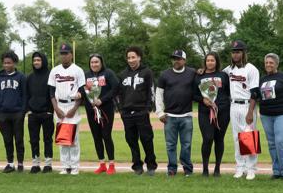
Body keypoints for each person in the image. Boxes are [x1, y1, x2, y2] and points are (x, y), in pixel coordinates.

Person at [156, 50, 198, 177]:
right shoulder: (164, 74)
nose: (176, 61)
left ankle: (187, 168)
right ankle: (172, 168)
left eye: (179, 59)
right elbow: (159, 94)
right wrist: (159, 113)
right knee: (170, 145)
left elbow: (202, 82)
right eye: (174, 58)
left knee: (186, 144)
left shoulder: (192, 73)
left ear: (184, 60)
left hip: (186, 115)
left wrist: (201, 71)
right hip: (170, 116)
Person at [117, 46, 157, 176]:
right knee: (131, 140)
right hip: (127, 114)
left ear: (139, 57)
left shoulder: (147, 72)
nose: (131, 60)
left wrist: (148, 109)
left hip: (141, 112)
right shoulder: (122, 74)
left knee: (147, 139)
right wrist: (121, 110)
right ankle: (137, 165)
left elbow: (151, 90)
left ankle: (151, 165)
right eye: (128, 58)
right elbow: (119, 94)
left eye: (133, 57)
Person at [225, 41, 261, 180]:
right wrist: (202, 71)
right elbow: (215, 75)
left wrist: (250, 112)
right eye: (234, 51)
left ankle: (251, 169)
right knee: (236, 138)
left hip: (247, 105)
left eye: (238, 51)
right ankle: (240, 167)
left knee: (249, 138)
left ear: (244, 53)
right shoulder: (229, 69)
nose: (235, 54)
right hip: (233, 106)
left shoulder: (251, 69)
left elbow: (255, 93)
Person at [49, 43, 85, 175]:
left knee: (74, 138)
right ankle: (65, 166)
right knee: (62, 138)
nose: (64, 56)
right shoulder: (55, 70)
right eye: (62, 53)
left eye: (66, 53)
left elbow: (82, 91)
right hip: (59, 106)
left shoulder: (78, 70)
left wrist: (75, 108)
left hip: (72, 105)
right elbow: (51, 91)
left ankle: (74, 167)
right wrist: (56, 107)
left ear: (71, 54)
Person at [80, 54, 120, 175]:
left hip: (105, 110)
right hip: (91, 110)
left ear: (101, 62)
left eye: (96, 62)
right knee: (96, 136)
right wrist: (81, 96)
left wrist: (102, 100)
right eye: (92, 62)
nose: (94, 64)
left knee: (106, 135)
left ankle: (111, 164)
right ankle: (102, 164)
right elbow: (83, 90)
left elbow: (115, 88)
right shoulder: (86, 75)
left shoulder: (108, 73)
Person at [196, 52, 230, 177]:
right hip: (205, 112)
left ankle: (217, 169)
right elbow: (193, 94)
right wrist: (202, 100)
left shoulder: (223, 75)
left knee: (219, 139)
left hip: (223, 112)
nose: (210, 62)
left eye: (212, 60)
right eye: (208, 60)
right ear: (205, 62)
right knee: (208, 138)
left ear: (217, 62)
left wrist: (223, 104)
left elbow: (228, 92)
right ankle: (205, 169)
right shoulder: (199, 76)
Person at [0, 51, 27, 173]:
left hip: (17, 113)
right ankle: (10, 163)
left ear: (14, 63)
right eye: (4, 63)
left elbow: (24, 95)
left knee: (19, 139)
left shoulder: (21, 77)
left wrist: (22, 111)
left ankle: (20, 163)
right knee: (7, 140)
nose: (7, 65)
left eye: (9, 63)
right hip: (3, 114)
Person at [25, 52, 54, 174]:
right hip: (33, 114)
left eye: (38, 60)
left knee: (47, 139)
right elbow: (26, 94)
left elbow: (53, 93)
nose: (36, 62)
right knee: (33, 139)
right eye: (34, 60)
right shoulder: (30, 77)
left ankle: (48, 164)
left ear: (43, 61)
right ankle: (35, 163)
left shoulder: (50, 75)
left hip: (46, 113)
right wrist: (29, 110)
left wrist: (50, 110)